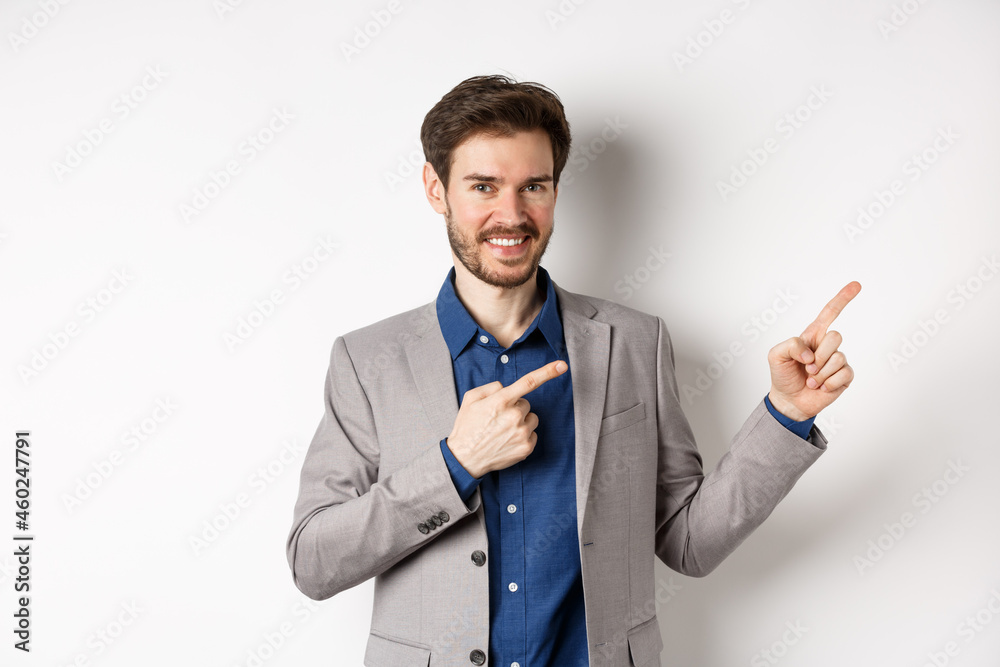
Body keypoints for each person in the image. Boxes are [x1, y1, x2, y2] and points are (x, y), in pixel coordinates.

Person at [285, 74, 860, 667]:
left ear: (555, 190)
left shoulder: (635, 342)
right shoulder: (367, 362)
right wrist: (456, 464)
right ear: (437, 188)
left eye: (532, 186)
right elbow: (315, 562)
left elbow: (689, 543)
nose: (510, 215)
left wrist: (786, 414)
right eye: (483, 186)